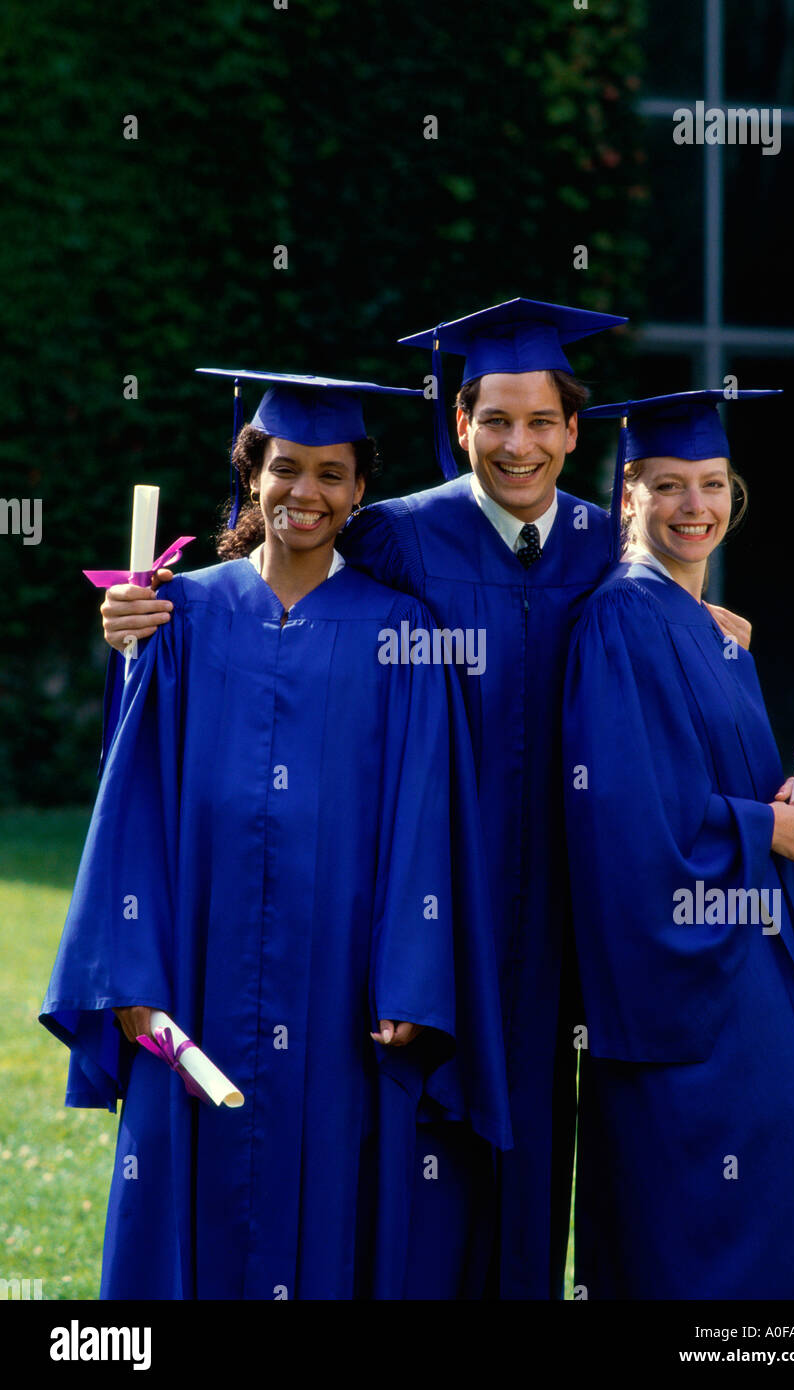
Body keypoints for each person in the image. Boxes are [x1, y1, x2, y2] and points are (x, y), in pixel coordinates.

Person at [40, 372, 511, 1300]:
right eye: (286, 469)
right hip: (195, 976)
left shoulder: (401, 634)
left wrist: (411, 975)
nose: (308, 493)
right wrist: (132, 977)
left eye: (332, 474)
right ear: (251, 476)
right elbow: (128, 803)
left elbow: (426, 817)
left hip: (341, 985)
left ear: (359, 490)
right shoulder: (179, 620)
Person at [563, 388, 794, 1299]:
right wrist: (758, 828)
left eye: (712, 483)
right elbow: (619, 816)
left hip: (751, 956)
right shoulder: (621, 621)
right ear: (628, 496)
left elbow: (722, 789)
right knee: (716, 1221)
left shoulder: (711, 631)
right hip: (685, 985)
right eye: (668, 486)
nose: (695, 506)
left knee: (786, 1188)